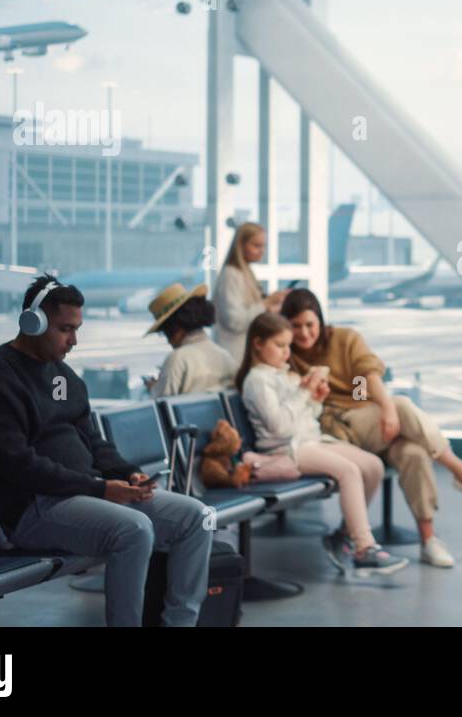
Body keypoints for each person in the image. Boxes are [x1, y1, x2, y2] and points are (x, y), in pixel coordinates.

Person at [0, 275, 213, 626]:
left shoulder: (63, 377)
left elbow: (93, 442)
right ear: (34, 322)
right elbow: (18, 465)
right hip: (29, 508)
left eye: (77, 329)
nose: (74, 341)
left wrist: (127, 474)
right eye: (65, 329)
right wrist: (100, 488)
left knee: (197, 518)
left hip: (82, 495)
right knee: (134, 530)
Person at [280, 288, 462, 569]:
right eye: (295, 326)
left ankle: (429, 540)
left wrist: (383, 407)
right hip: (335, 429)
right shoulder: (288, 355)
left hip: (364, 414)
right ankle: (461, 471)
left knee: (413, 452)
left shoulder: (344, 340)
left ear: (320, 321)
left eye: (309, 324)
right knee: (403, 405)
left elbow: (366, 374)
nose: (303, 333)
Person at [238, 312, 409, 577]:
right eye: (279, 345)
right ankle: (364, 548)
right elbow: (280, 427)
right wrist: (305, 393)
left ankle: (343, 535)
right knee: (349, 471)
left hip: (311, 441)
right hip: (287, 449)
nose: (286, 352)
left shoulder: (284, 374)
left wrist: (315, 399)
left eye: (288, 346)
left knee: (373, 465)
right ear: (258, 344)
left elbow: (306, 418)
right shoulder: (258, 380)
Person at [213, 222, 290, 362]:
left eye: (263, 246)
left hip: (244, 354)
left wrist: (274, 305)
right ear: (241, 245)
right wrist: (265, 304)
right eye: (256, 245)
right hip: (234, 355)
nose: (261, 251)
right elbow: (235, 321)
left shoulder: (246, 272)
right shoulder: (231, 275)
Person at [145, 282, 237, 397]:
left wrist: (153, 388)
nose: (168, 341)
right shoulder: (225, 356)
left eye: (166, 333)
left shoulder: (177, 358)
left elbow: (162, 402)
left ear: (176, 327)